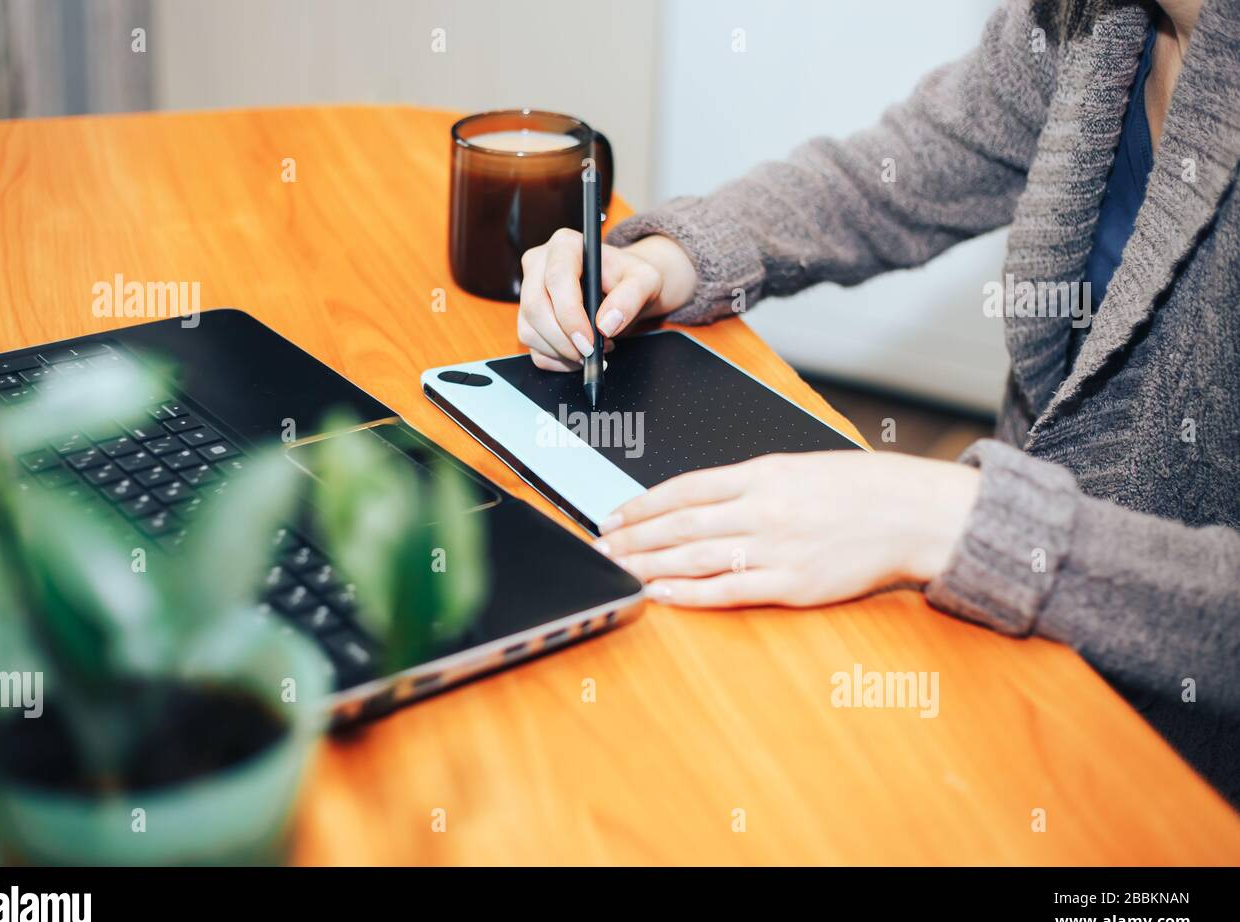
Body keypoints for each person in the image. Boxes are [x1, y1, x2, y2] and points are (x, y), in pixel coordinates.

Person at [516, 0, 1240, 803]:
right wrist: (671, 257)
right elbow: (892, 175)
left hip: (1185, 779)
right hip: (1010, 661)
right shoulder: (1088, 20)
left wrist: (954, 521)